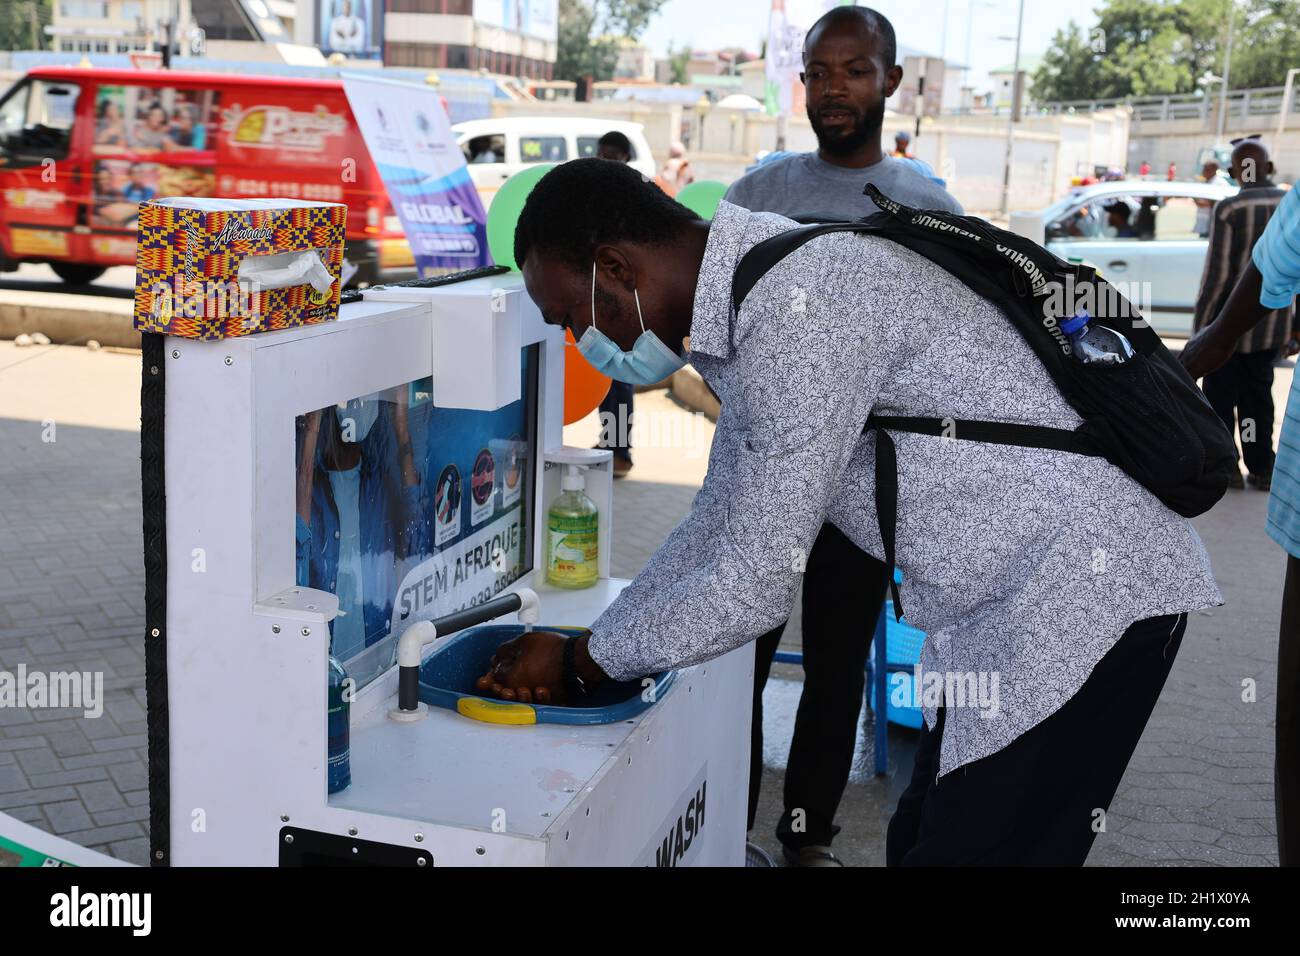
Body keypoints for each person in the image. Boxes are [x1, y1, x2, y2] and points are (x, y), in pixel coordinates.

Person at [481, 154, 1222, 866]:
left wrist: (582, 662)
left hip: (1085, 600)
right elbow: (716, 522)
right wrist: (601, 643)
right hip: (1003, 612)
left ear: (615, 267)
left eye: (574, 316)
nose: (583, 342)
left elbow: (753, 583)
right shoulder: (757, 289)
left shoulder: (801, 305)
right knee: (922, 841)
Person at [722, 5, 962, 867]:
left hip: (860, 492)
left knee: (833, 667)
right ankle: (725, 831)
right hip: (759, 481)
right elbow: (715, 325)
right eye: (820, 71)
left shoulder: (927, 207)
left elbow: (950, 353)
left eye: (855, 70)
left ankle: (804, 838)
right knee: (733, 661)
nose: (834, 88)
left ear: (891, 81)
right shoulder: (756, 196)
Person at [1181, 184, 1300, 866]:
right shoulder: (1254, 198)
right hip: (1260, 333)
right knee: (1251, 403)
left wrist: (1211, 339)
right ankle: (1246, 465)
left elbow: (1268, 264)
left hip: (1245, 330)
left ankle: (1243, 466)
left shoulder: (1256, 206)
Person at [1192, 141, 1298, 491]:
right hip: (1273, 328)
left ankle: (1229, 468)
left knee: (1221, 399)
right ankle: (1262, 467)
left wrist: (1205, 329)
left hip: (1229, 330)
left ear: (1235, 172)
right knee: (1257, 399)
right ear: (1267, 169)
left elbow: (1219, 276)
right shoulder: (1288, 203)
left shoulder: (1230, 209)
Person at [594, 129, 638, 479]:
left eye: (611, 155)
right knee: (608, 372)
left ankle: (620, 451)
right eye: (601, 154)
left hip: (624, 296)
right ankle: (611, 443)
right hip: (603, 294)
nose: (605, 161)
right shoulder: (600, 191)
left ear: (625, 156)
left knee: (619, 374)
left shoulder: (633, 192)